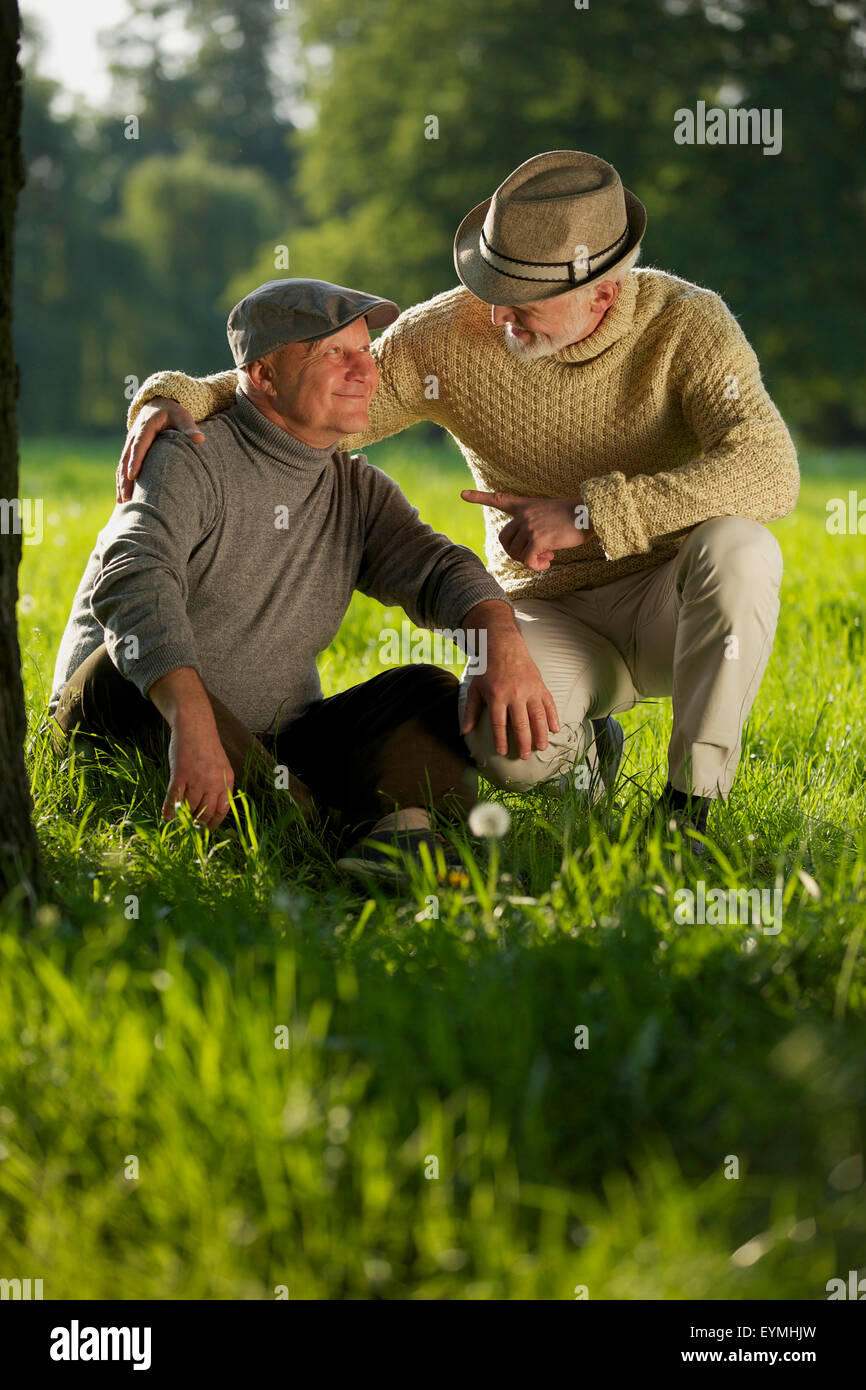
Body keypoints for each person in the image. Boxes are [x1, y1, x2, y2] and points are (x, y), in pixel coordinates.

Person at [118, 151, 799, 852]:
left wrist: (588, 515)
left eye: (522, 297)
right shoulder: (452, 333)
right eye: (492, 285)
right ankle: (587, 753)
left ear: (602, 293)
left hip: (672, 601)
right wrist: (176, 396)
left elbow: (771, 470)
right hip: (552, 609)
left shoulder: (688, 325)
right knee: (505, 745)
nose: (498, 311)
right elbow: (311, 392)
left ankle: (691, 809)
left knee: (743, 548)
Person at [50, 278, 560, 882]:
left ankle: (365, 836)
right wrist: (190, 718)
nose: (363, 372)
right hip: (133, 709)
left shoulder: (354, 487)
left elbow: (437, 567)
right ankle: (357, 835)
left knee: (424, 693)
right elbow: (132, 574)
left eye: (365, 353)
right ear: (263, 376)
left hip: (278, 740)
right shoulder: (188, 455)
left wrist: (499, 640)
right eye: (334, 354)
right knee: (118, 665)